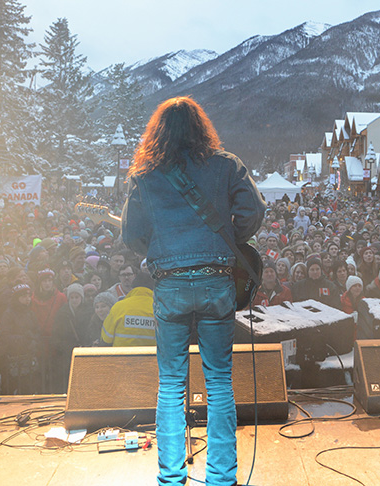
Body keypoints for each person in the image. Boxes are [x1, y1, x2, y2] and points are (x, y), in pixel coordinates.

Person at [122, 96, 265, 486]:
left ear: (159, 133)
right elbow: (254, 211)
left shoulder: (146, 176)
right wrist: (225, 240)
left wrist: (164, 247)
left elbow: (131, 234)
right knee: (219, 381)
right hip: (217, 280)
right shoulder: (226, 165)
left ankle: (170, 477)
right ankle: (221, 478)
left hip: (169, 285)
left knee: (170, 383)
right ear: (201, 127)